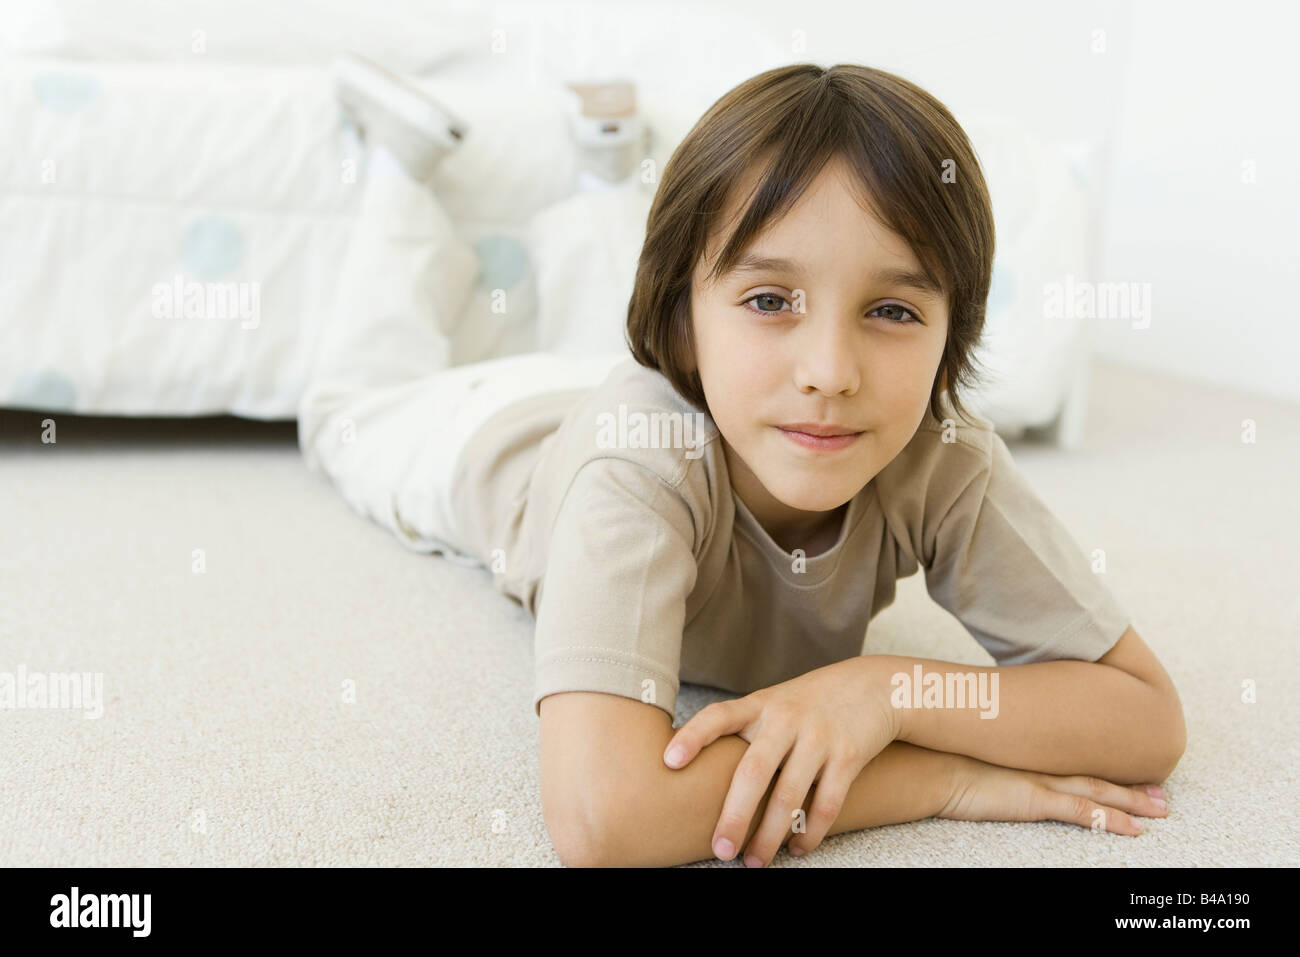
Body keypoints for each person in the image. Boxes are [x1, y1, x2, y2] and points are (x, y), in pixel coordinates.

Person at [298, 59, 1185, 869]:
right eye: (771, 299)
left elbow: (1146, 717)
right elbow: (605, 820)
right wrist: (934, 779)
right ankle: (397, 175)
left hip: (713, 392)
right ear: (683, 322)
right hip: (488, 436)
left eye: (892, 311)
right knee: (345, 407)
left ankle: (605, 177)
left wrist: (888, 692)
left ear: (957, 329)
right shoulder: (637, 467)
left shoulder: (934, 453)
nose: (831, 374)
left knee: (604, 347)